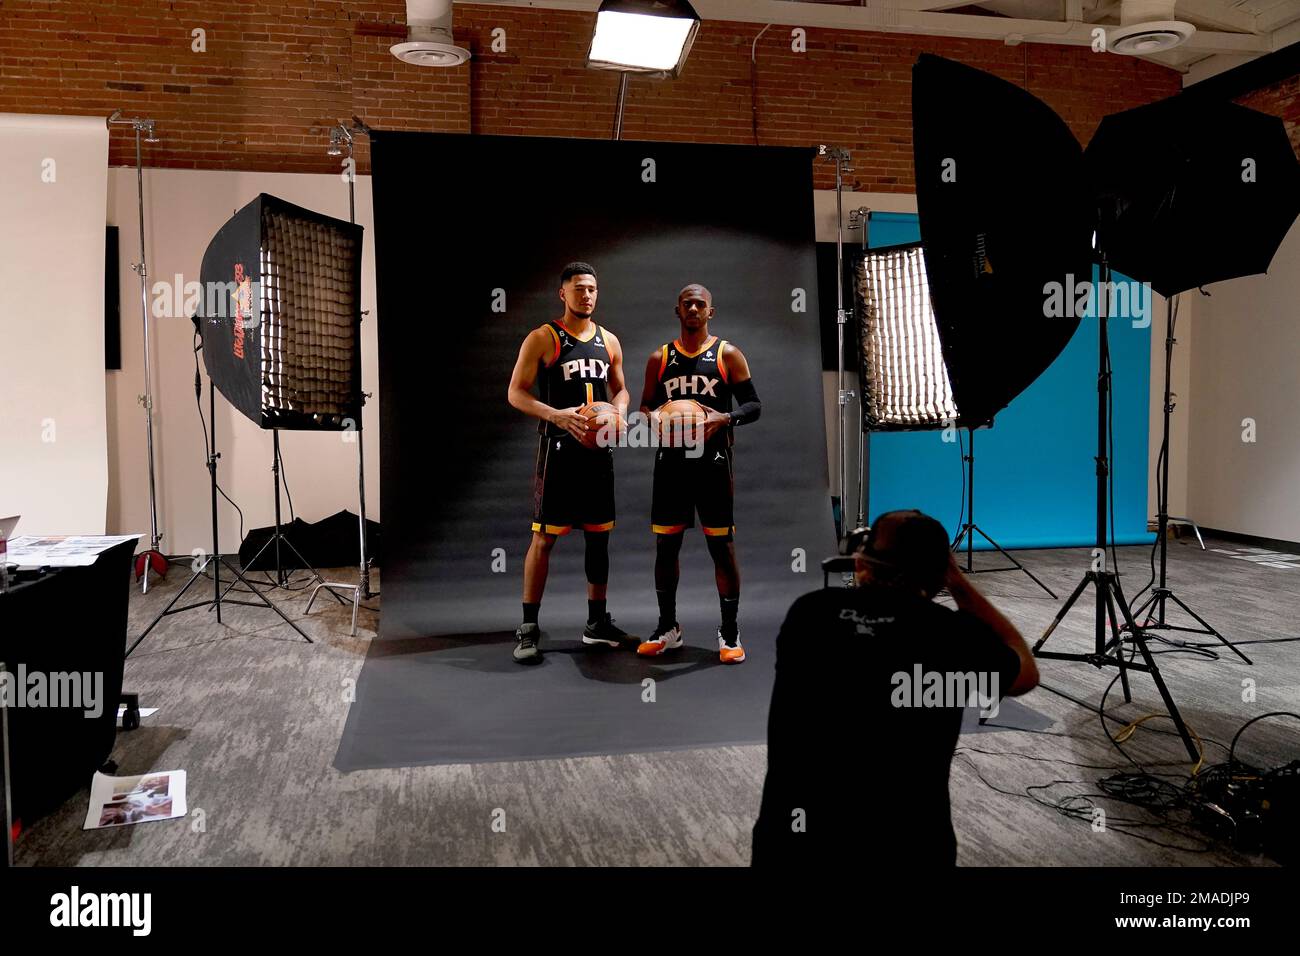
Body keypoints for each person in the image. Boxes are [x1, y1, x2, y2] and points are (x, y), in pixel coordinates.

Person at [751, 509, 1040, 865]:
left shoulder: (809, 614)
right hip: (908, 847)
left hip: (789, 847)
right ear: (938, 573)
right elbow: (1026, 673)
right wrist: (960, 585)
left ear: (862, 563)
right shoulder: (951, 635)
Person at [506, 262, 636, 663]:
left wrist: (619, 414)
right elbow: (516, 393)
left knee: (599, 538)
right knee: (544, 538)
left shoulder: (609, 341)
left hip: (597, 456)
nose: (587, 295)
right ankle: (529, 627)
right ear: (563, 294)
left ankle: (596, 624)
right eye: (579, 289)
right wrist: (557, 414)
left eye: (593, 289)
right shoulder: (544, 338)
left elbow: (622, 391)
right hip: (559, 452)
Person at [635, 284, 762, 665]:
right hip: (671, 463)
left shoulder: (728, 354)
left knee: (721, 547)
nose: (693, 308)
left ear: (711, 311)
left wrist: (726, 417)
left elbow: (754, 405)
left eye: (700, 304)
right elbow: (644, 406)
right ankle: (668, 627)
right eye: (687, 303)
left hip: (713, 463)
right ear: (678, 311)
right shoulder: (660, 357)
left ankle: (729, 630)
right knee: (666, 546)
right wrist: (652, 418)